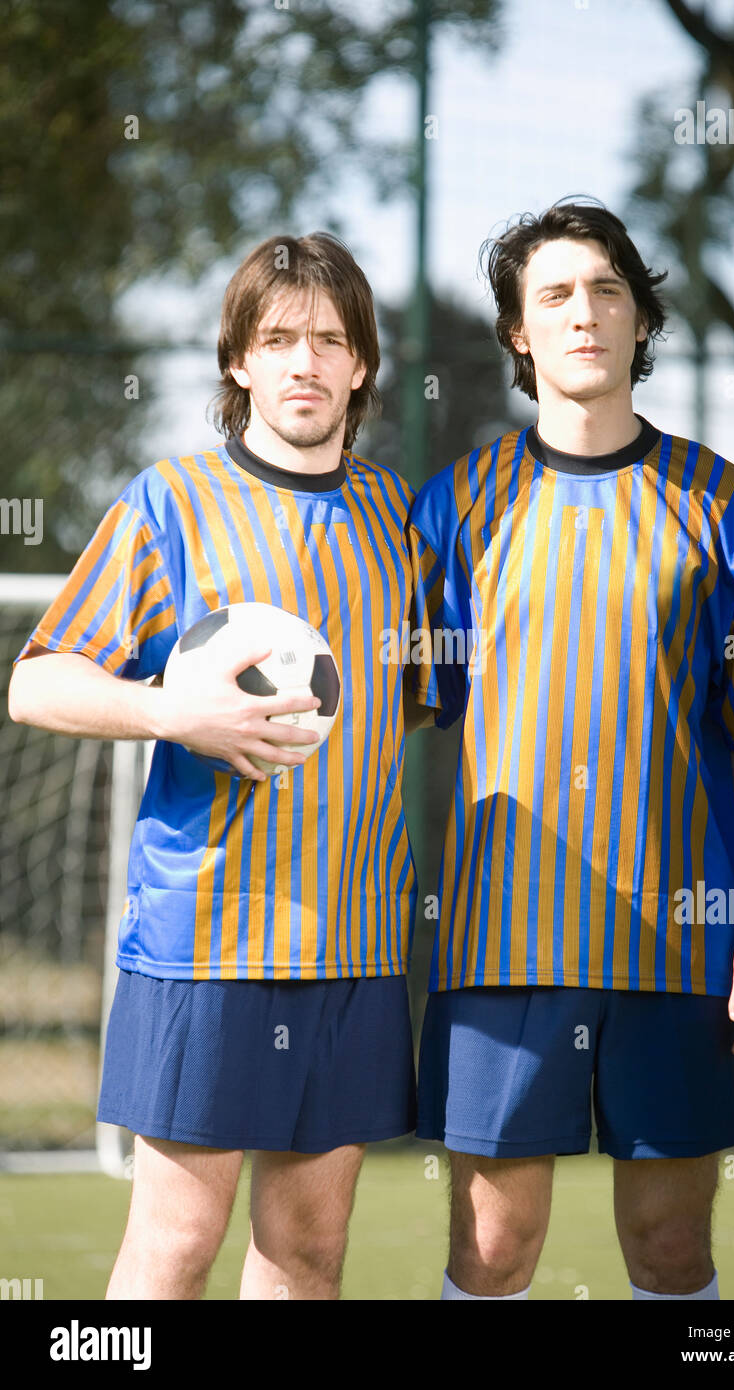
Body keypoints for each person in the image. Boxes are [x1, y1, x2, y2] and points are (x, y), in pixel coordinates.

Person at [405, 199, 734, 1301]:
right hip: (497, 947)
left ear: (638, 318)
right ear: (517, 330)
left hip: (680, 950)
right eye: (552, 294)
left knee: (669, 1254)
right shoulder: (451, 509)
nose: (582, 313)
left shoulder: (726, 505)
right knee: (490, 1250)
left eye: (606, 289)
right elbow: (387, 717)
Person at [8, 231, 425, 1300]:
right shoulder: (169, 502)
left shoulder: (400, 523)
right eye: (278, 338)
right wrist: (169, 711)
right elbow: (35, 680)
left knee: (307, 1254)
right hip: (204, 943)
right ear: (239, 361)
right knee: (174, 1249)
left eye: (329, 339)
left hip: (357, 951)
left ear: (362, 364)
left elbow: (418, 706)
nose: (305, 361)